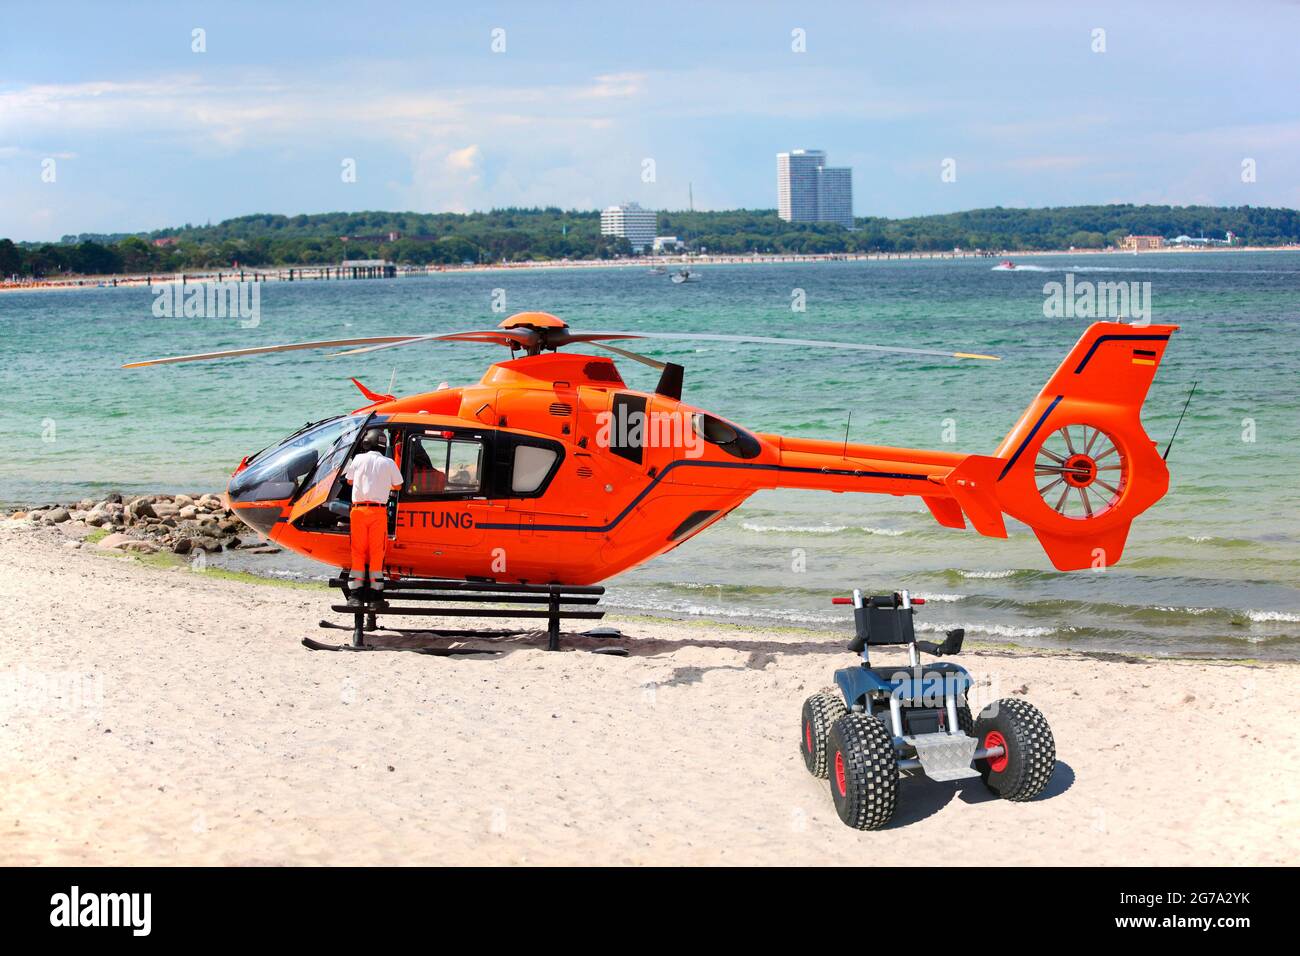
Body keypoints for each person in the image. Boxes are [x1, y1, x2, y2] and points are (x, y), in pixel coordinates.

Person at [342, 429, 404, 604]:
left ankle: (355, 595)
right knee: (377, 551)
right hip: (378, 512)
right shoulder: (389, 462)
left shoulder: (359, 459)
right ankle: (376, 595)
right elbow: (398, 486)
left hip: (359, 511)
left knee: (358, 550)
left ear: (367, 443)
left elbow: (349, 480)